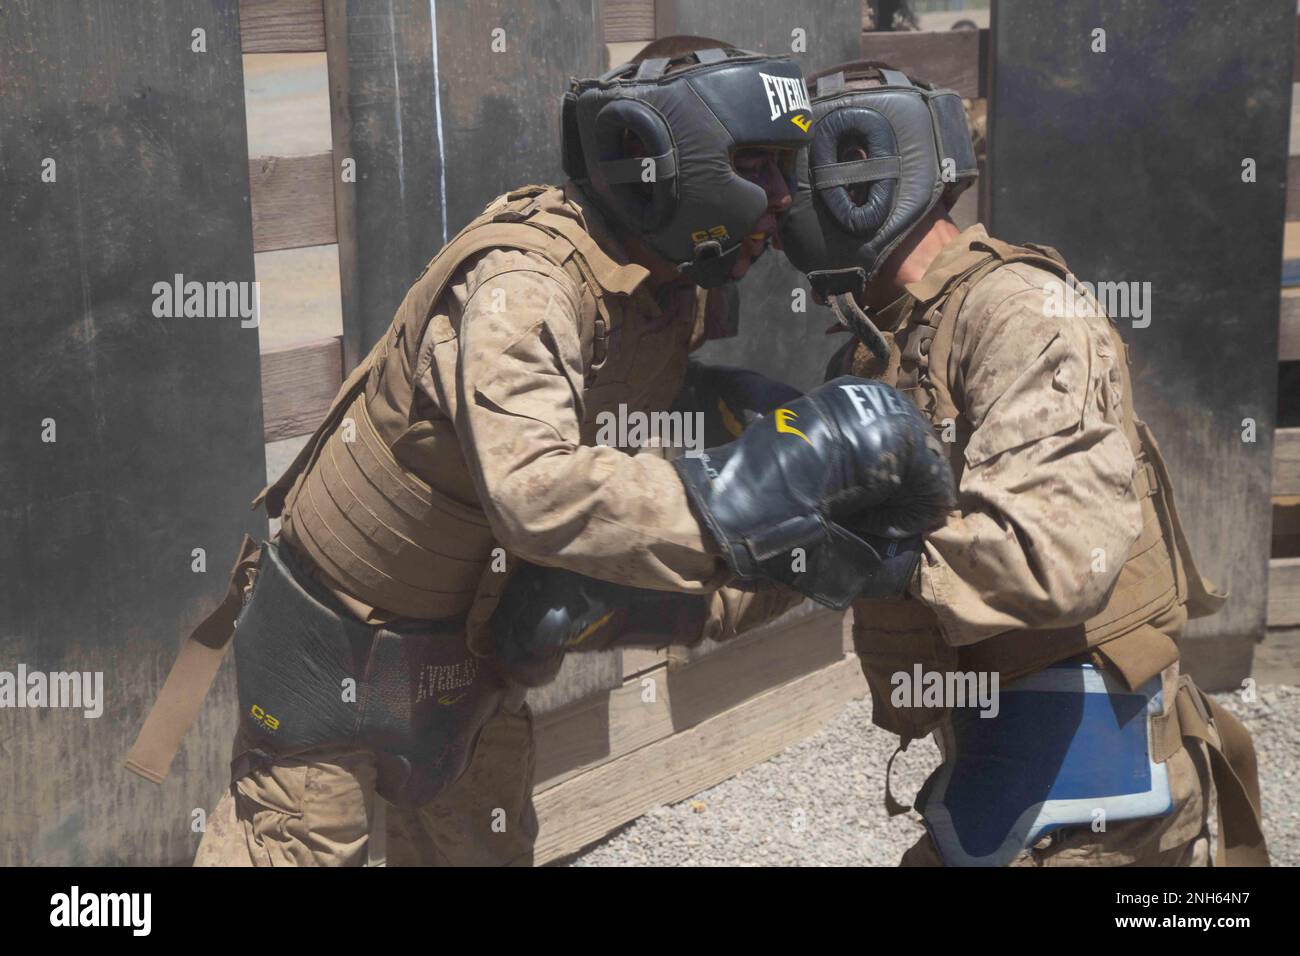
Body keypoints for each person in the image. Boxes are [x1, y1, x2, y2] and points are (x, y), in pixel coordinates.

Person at [125, 41, 954, 867]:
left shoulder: (666, 291)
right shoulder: (523, 282)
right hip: (332, 644)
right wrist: (753, 489)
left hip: (462, 657)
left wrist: (773, 445)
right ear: (665, 167)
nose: (781, 196)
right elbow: (533, 489)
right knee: (291, 851)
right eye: (758, 164)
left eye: (786, 167)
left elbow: (633, 396)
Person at [778, 60, 1270, 867]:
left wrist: (863, 556)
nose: (772, 208)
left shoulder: (1020, 313)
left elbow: (1061, 555)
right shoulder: (883, 349)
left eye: (786, 180)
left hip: (1096, 805)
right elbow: (797, 534)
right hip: (1005, 770)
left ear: (850, 180)